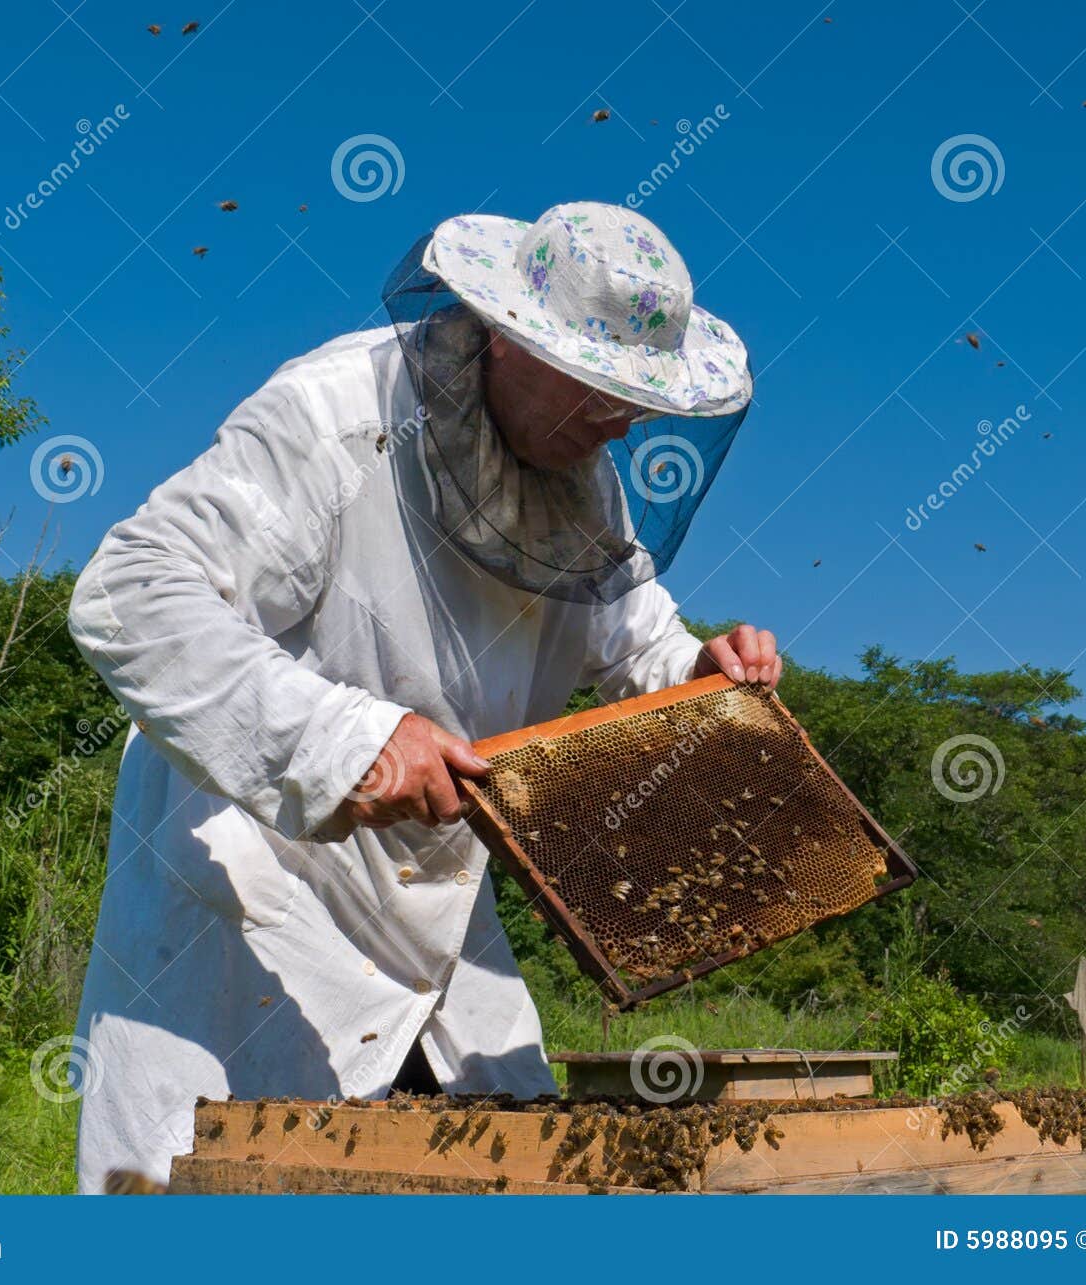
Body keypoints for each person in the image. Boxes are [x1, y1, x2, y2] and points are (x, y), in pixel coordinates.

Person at [65, 200, 781, 1191]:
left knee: (509, 1185)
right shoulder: (334, 415)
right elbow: (131, 592)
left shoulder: (587, 482)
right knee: (223, 1203)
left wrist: (698, 676)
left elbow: (630, 632)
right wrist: (340, 736)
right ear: (504, 338)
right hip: (263, 908)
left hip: (440, 920)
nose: (624, 420)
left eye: (640, 395)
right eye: (596, 386)